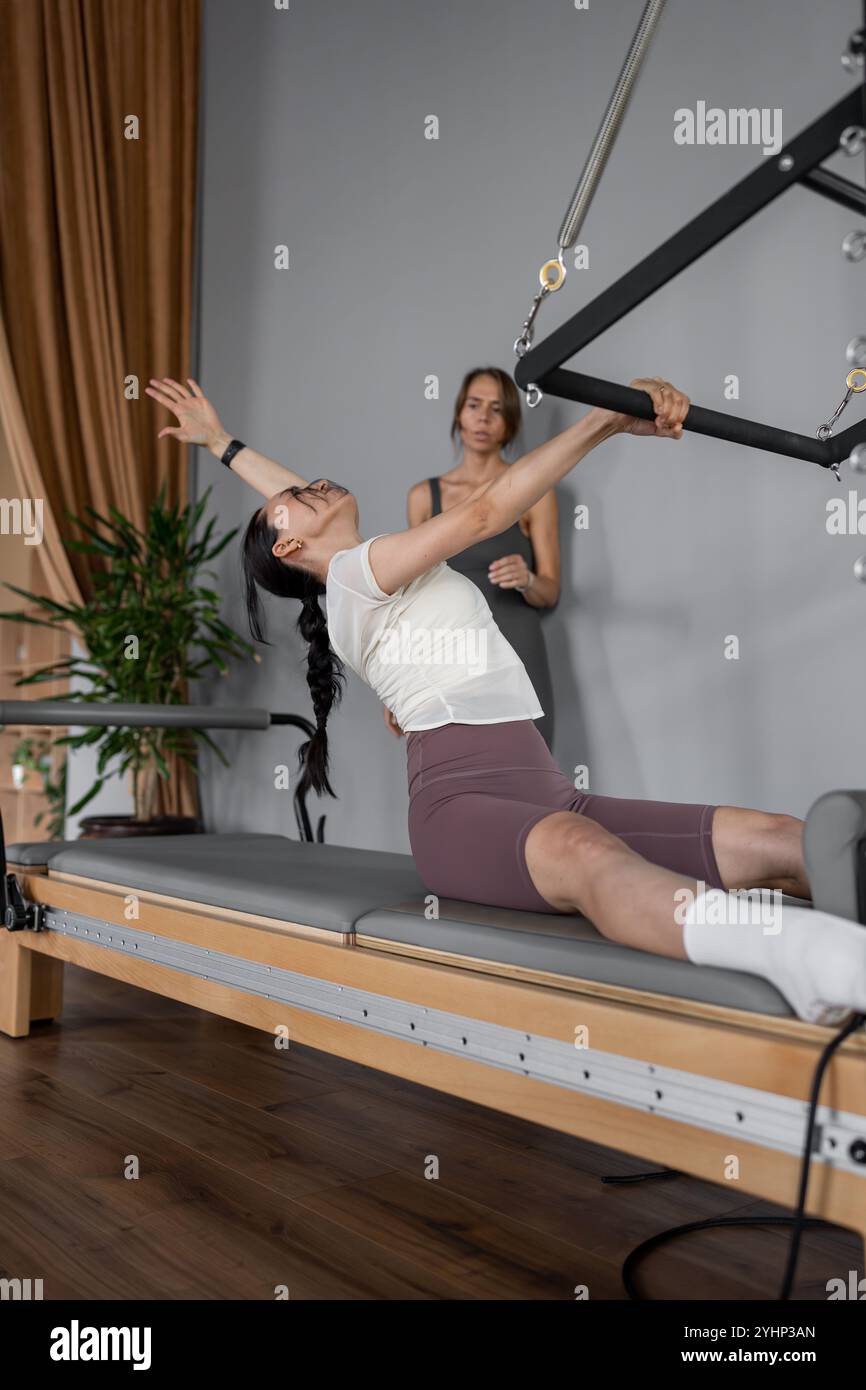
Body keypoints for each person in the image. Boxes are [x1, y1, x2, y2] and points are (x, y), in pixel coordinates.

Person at [146, 373, 866, 1027]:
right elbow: (485, 513)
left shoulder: (358, 570)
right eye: (299, 499)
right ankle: (818, 965)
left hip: (544, 789)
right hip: (458, 813)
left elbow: (294, 505)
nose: (316, 484)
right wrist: (604, 422)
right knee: (585, 854)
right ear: (290, 544)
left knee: (784, 839)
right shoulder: (354, 579)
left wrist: (222, 442)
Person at [390, 367, 557, 747]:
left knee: (531, 779)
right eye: (474, 405)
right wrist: (398, 677)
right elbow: (410, 598)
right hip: (446, 657)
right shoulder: (423, 497)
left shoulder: (535, 491)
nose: (483, 417)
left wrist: (529, 579)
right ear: (459, 415)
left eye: (496, 409)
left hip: (516, 649)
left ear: (510, 423)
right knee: (455, 776)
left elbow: (551, 592)